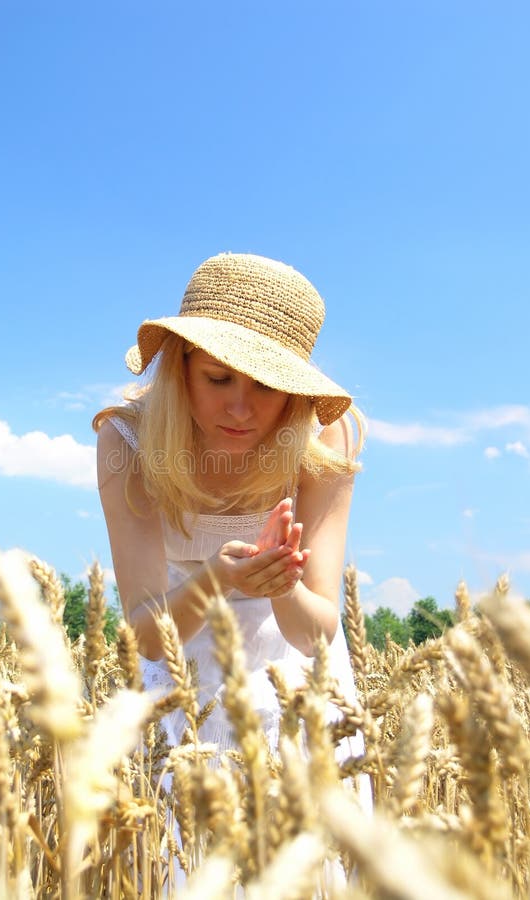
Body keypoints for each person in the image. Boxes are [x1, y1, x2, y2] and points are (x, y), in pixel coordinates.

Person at [94, 252, 368, 787]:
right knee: (178, 852)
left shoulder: (321, 443)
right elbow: (149, 637)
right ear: (180, 367)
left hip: (292, 670)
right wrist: (219, 579)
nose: (241, 410)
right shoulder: (128, 442)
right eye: (218, 379)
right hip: (179, 653)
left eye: (266, 387)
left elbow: (315, 634)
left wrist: (280, 584)